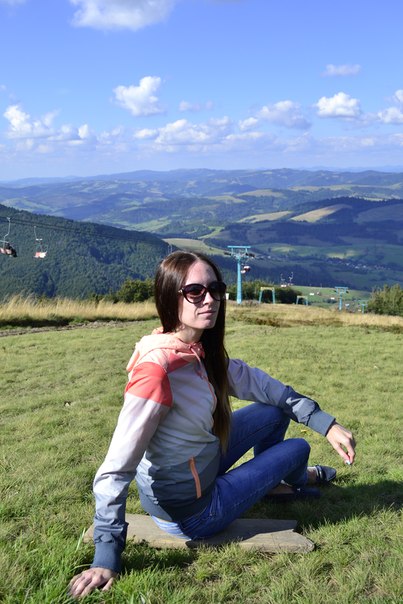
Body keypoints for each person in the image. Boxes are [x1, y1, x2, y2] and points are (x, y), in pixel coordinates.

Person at [68, 251, 356, 599]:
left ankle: (275, 484)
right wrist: (106, 555)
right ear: (169, 297)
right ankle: (295, 478)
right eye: (195, 291)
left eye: (215, 289)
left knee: (274, 410)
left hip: (202, 462)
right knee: (298, 447)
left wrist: (325, 423)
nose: (210, 300)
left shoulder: (199, 352)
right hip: (192, 512)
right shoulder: (157, 373)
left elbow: (268, 389)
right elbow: (114, 471)